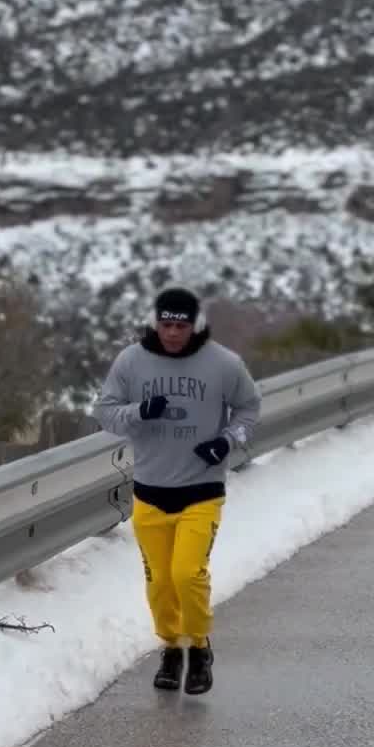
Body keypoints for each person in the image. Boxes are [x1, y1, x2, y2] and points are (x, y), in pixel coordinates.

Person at [94, 286, 261, 695]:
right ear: (156, 322)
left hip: (201, 489)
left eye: (181, 325)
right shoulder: (132, 361)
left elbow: (249, 409)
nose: (173, 333)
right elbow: (104, 411)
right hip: (150, 491)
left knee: (188, 575)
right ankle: (171, 648)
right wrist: (138, 412)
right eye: (166, 325)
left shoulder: (223, 363)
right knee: (160, 582)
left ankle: (199, 649)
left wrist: (226, 441)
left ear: (194, 325)